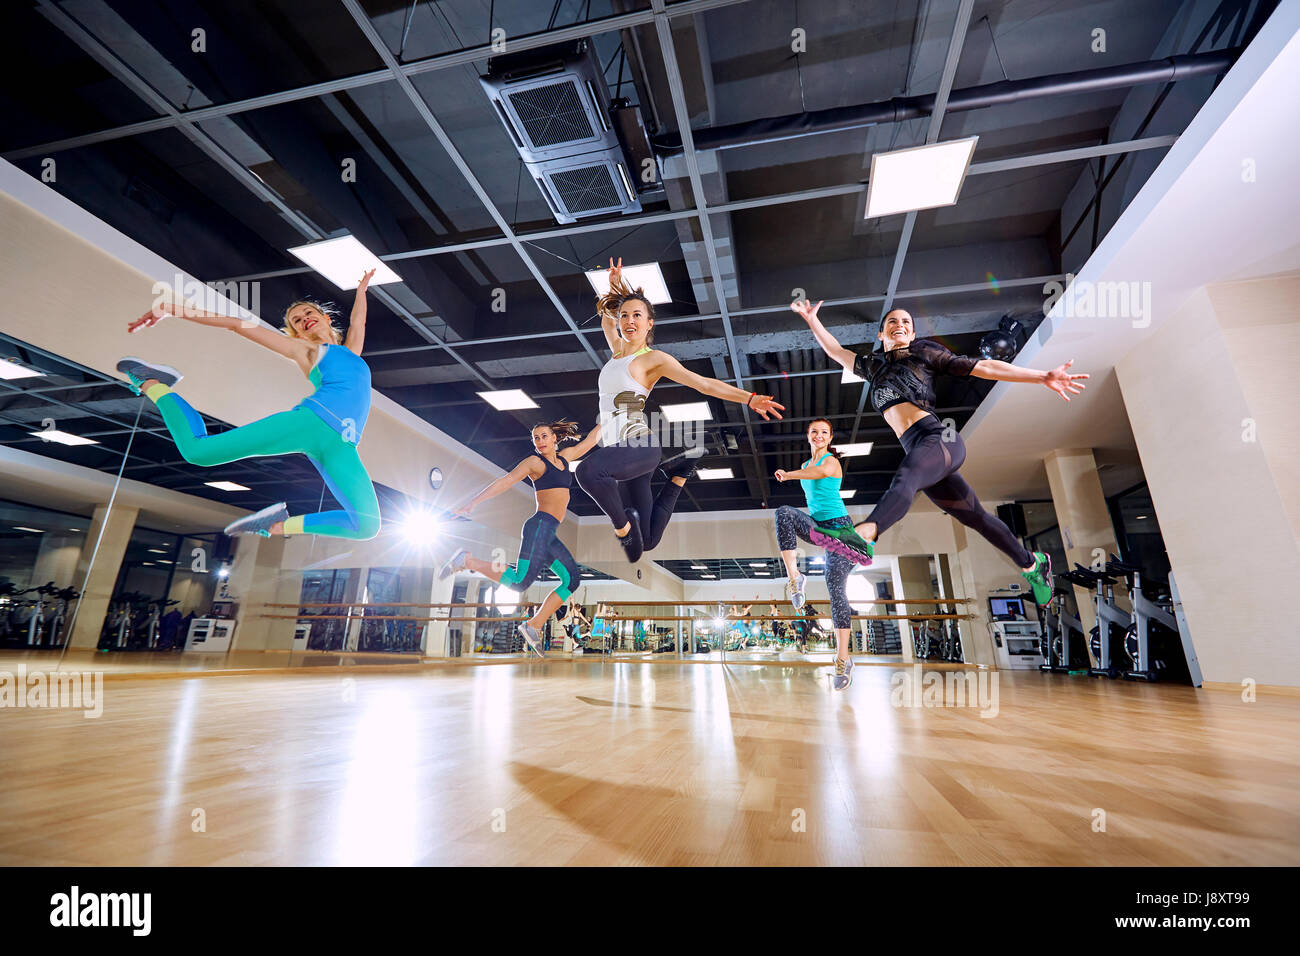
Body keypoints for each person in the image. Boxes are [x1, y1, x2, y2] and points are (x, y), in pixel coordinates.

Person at [791, 298, 1088, 606]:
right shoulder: (873, 367)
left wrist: (1041, 376)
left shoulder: (924, 353)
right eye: (893, 322)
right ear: (881, 335)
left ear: (912, 333)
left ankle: (864, 534)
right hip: (920, 449)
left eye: (906, 322)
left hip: (939, 439)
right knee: (977, 518)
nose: (900, 325)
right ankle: (1032, 564)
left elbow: (983, 366)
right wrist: (813, 320)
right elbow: (836, 351)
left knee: (906, 477)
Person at [117, 271, 382, 540]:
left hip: (343, 445)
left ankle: (278, 526)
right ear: (297, 332)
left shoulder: (351, 352)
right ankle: (154, 384)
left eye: (307, 313)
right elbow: (236, 324)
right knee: (198, 452)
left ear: (325, 317)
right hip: (310, 424)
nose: (304, 320)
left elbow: (357, 322)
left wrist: (361, 291)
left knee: (367, 526)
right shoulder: (306, 350)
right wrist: (171, 308)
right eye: (297, 321)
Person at [578, 258, 784, 562]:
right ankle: (679, 473)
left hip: (640, 447)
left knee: (587, 471)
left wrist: (749, 398)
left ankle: (622, 530)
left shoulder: (654, 359)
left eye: (637, 315)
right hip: (619, 450)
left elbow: (703, 384)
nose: (628, 321)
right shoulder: (617, 350)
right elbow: (606, 318)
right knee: (646, 541)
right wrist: (614, 287)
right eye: (625, 316)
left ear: (650, 323)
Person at [439, 419, 602, 658]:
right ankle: (468, 561)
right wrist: (473, 503)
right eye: (536, 438)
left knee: (572, 580)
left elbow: (590, 441)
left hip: (548, 532)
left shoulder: (565, 458)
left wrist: (608, 414)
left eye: (544, 436)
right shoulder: (534, 463)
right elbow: (506, 481)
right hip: (539, 528)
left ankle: (533, 625)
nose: (540, 441)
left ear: (554, 438)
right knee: (519, 583)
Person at [774, 419, 859, 689]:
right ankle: (795, 577)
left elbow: (819, 474)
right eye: (814, 432)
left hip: (841, 532)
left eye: (824, 432)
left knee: (835, 588)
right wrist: (795, 472)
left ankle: (843, 658)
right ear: (808, 436)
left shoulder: (830, 462)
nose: (819, 435)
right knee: (784, 513)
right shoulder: (804, 465)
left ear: (830, 437)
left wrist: (788, 475)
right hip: (820, 527)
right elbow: (810, 477)